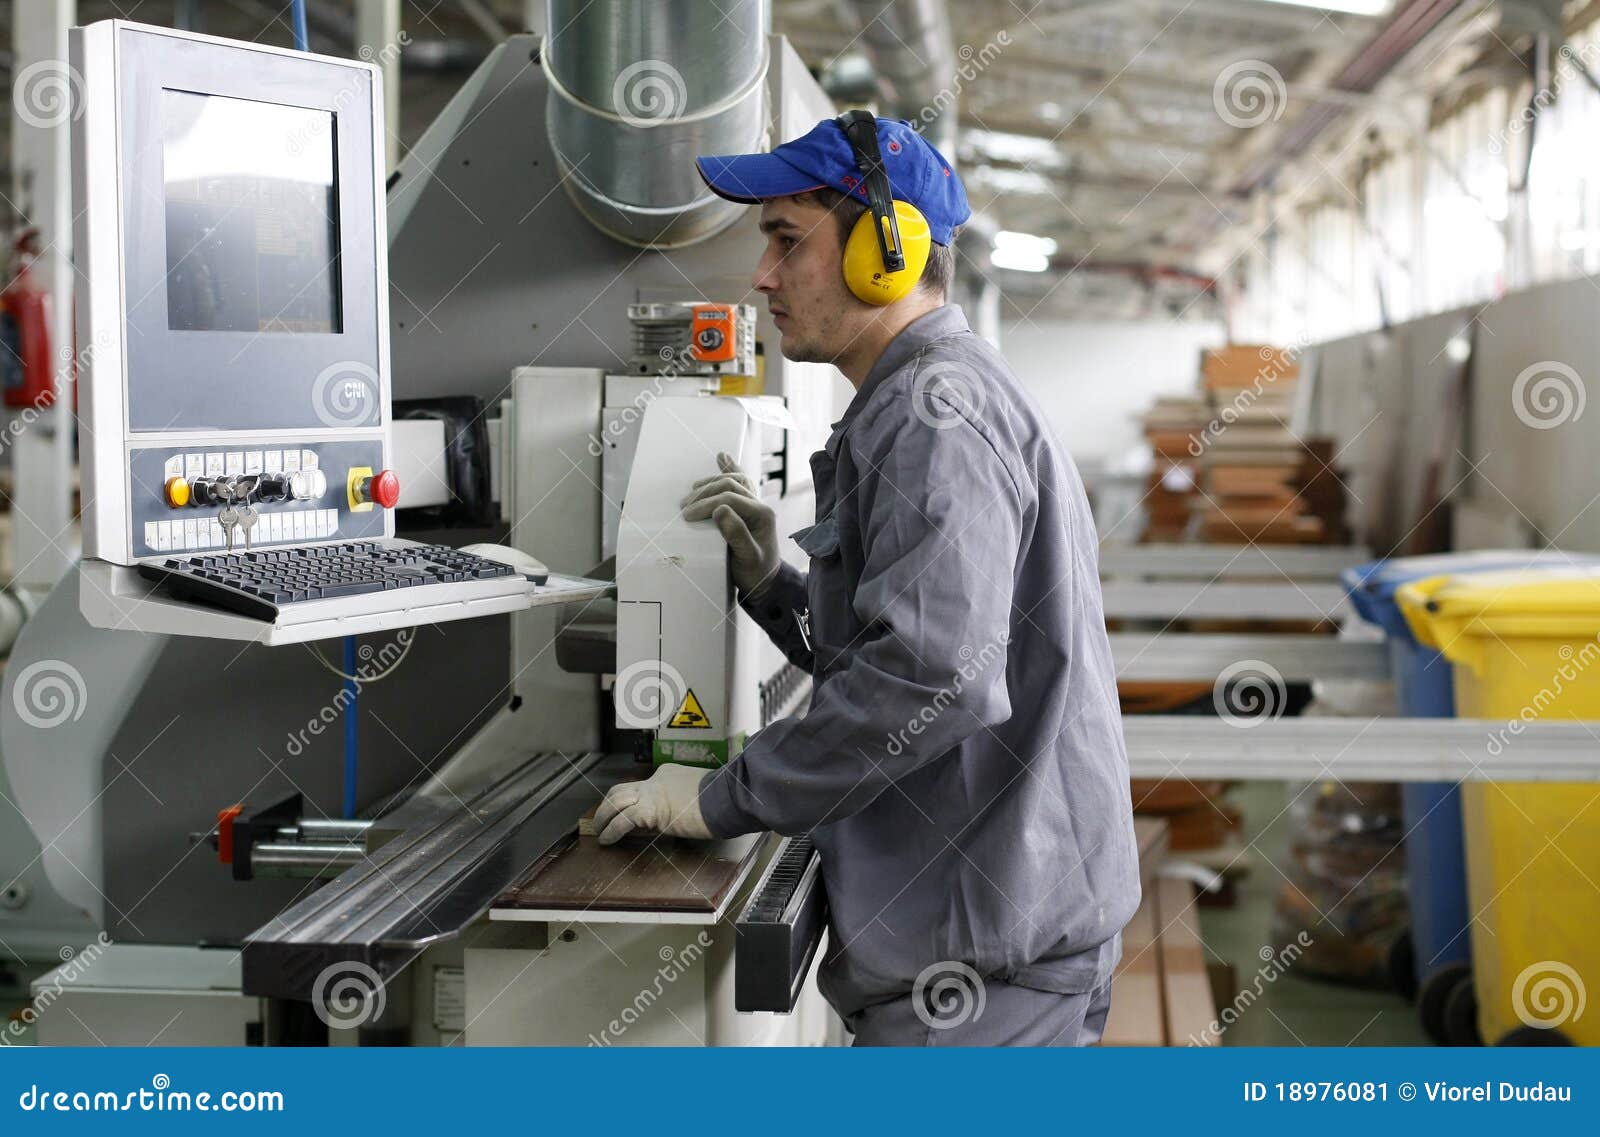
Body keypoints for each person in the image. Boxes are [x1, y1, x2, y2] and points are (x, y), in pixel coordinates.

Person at [593, 112, 1140, 1047]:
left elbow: (936, 673)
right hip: (996, 934)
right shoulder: (917, 398)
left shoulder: (933, 415)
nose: (762, 276)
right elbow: (903, 643)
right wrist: (773, 586)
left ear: (885, 252)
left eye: (786, 241)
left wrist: (720, 796)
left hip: (982, 967)